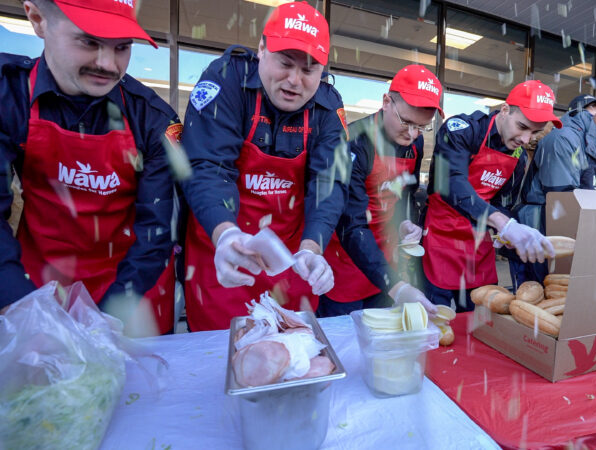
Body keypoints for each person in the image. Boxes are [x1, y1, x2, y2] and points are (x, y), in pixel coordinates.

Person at [0, 0, 179, 334]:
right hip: (36, 285)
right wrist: (22, 306)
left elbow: (156, 230)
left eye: (122, 47)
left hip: (131, 285)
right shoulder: (9, 95)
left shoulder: (152, 118)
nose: (108, 64)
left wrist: (109, 316)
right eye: (89, 41)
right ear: (38, 20)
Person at [180, 2, 347, 331]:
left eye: (310, 70)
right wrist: (226, 235)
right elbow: (207, 167)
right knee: (220, 360)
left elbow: (329, 183)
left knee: (291, 356)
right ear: (261, 50)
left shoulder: (329, 105)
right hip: (224, 251)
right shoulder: (226, 79)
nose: (294, 80)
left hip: (290, 263)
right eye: (285, 63)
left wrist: (313, 247)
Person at [421, 80, 562, 312]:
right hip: (441, 241)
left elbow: (500, 202)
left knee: (483, 322)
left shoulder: (518, 157)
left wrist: (512, 232)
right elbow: (452, 183)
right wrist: (502, 223)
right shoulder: (463, 130)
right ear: (505, 110)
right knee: (437, 320)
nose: (526, 140)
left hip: (478, 248)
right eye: (522, 127)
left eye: (535, 132)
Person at [319, 65, 442, 317]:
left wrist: (405, 222)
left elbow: (406, 191)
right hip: (347, 257)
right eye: (406, 122)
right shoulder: (354, 140)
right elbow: (350, 223)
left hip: (386, 260)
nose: (412, 133)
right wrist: (396, 286)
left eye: (422, 127)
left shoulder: (414, 143)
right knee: (344, 342)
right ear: (386, 102)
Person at [507, 89, 596, 288]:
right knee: (537, 308)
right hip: (541, 238)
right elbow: (564, 207)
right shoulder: (564, 139)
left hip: (581, 238)